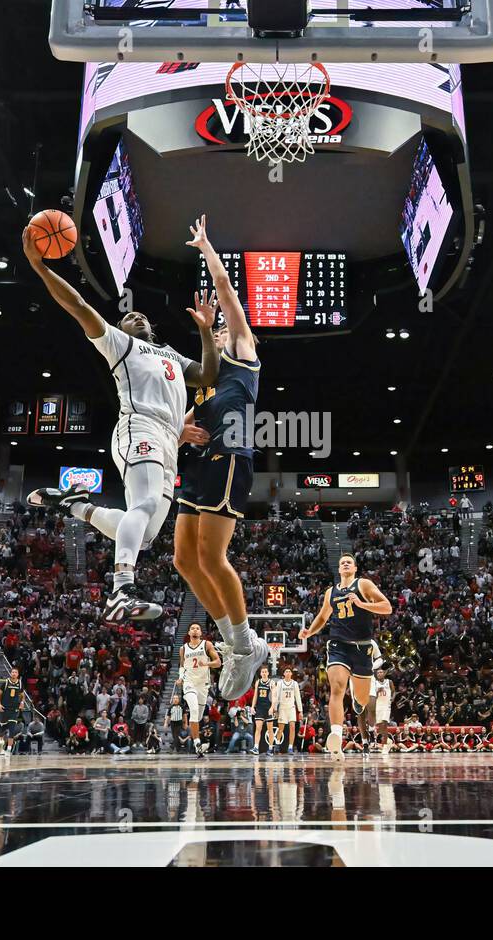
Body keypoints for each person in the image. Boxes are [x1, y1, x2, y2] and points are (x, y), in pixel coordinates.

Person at [22, 224, 220, 623]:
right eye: (127, 315)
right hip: (138, 428)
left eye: (139, 313)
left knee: (144, 534)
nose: (134, 314)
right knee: (143, 506)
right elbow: (77, 304)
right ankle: (121, 590)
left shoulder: (172, 357)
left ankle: (74, 504)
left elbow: (210, 375)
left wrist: (205, 331)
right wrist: (40, 268)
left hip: (168, 441)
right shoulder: (119, 343)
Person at [172, 214, 271, 702]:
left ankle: (241, 645)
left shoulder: (244, 351)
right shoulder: (208, 379)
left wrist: (207, 250)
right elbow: (186, 422)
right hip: (199, 463)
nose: (215, 329)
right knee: (184, 560)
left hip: (231, 455)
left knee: (212, 555)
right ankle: (240, 643)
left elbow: (228, 291)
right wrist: (180, 432)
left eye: (220, 327)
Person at [299, 553, 393, 759]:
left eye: (349, 562)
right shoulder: (330, 592)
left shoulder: (364, 585)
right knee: (337, 687)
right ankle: (336, 735)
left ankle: (357, 705)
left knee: (360, 699)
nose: (345, 563)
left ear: (355, 568)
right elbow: (323, 616)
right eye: (342, 562)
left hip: (362, 647)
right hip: (338, 644)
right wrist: (309, 632)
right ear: (339, 569)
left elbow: (387, 607)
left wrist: (362, 604)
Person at [177, 623, 222, 757]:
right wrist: (180, 678)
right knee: (194, 710)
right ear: (189, 633)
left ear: (201, 632)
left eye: (197, 628)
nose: (195, 630)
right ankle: (197, 743)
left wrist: (207, 663)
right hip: (189, 683)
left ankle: (198, 741)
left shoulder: (207, 645)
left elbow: (218, 662)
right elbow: (182, 666)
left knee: (199, 716)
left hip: (203, 685)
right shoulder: (183, 649)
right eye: (192, 628)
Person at [273, 666, 303, 754]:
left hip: (291, 708)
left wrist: (300, 711)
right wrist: (275, 709)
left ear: (291, 673)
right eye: (286, 671)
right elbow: (277, 696)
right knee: (281, 728)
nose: (288, 673)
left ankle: (290, 747)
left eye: (289, 671)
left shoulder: (295, 684)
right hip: (282, 707)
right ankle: (277, 744)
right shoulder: (280, 683)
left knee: (292, 727)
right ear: (283, 673)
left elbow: (298, 697)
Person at [0, 667, 25, 756]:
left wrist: (22, 703)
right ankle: (0, 746)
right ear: (10, 673)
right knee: (3, 729)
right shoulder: (5, 682)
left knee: (12, 730)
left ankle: (8, 750)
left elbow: (22, 695)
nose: (13, 673)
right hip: (4, 708)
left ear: (18, 674)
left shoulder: (20, 683)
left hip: (14, 709)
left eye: (15, 672)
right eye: (12, 672)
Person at [250, 663, 275, 754]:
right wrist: (253, 706)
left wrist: (272, 707)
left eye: (265, 672)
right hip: (260, 708)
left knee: (270, 729)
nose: (264, 673)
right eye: (262, 672)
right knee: (258, 728)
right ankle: (256, 748)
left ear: (268, 673)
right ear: (260, 673)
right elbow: (255, 696)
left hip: (268, 707)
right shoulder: (258, 682)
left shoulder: (271, 683)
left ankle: (271, 748)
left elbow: (274, 697)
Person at [371, 667, 395, 753]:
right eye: (378, 673)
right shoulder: (375, 683)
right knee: (380, 726)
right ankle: (388, 740)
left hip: (386, 705)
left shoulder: (389, 682)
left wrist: (392, 698)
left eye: (381, 672)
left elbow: (393, 691)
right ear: (376, 675)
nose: (380, 674)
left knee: (384, 723)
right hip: (378, 706)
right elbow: (373, 696)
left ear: (384, 673)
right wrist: (377, 692)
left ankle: (384, 745)